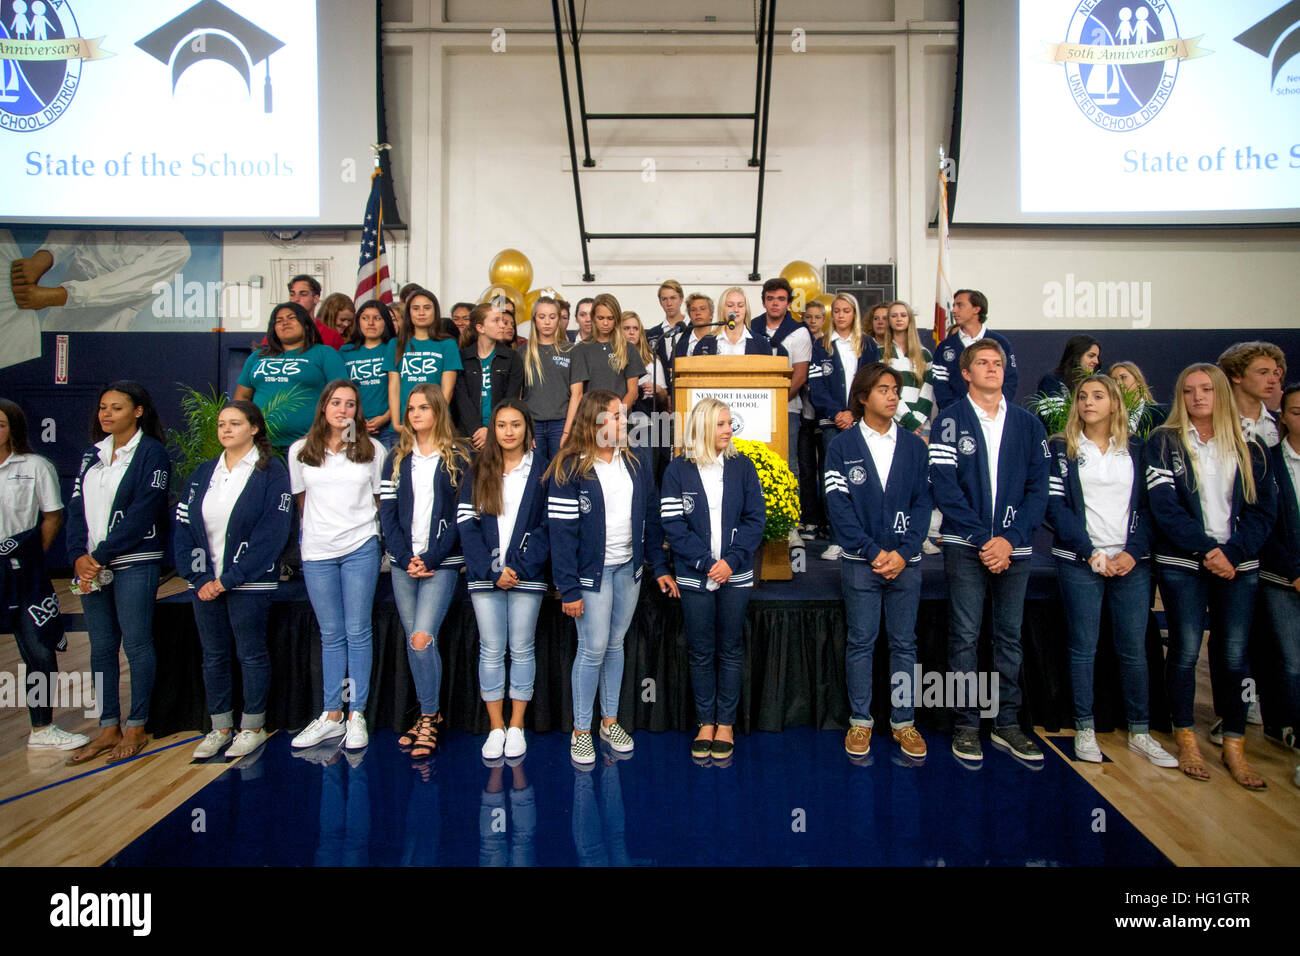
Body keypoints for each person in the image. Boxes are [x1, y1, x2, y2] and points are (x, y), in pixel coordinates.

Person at [1144, 364, 1275, 789]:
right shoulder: (1163, 442)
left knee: (1233, 653)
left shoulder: (1251, 447)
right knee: (1183, 648)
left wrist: (1232, 553)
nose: (1198, 398)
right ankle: (1186, 737)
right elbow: (1164, 507)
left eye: (1206, 390)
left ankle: (1234, 743)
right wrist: (1206, 549)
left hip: (1238, 564)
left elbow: (1263, 513)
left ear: (1221, 393)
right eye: (1188, 391)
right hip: (1184, 563)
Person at [1046, 376, 1177, 767]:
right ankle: (1084, 728)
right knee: (1083, 647)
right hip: (1080, 562)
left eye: (1098, 396)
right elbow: (1056, 508)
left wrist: (1132, 554)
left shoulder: (1138, 448)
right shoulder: (1062, 448)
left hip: (1131, 565)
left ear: (1115, 404)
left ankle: (1140, 731)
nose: (1088, 402)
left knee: (1133, 650)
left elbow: (1155, 508)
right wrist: (1089, 553)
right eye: (1082, 396)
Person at [929, 339, 1048, 763]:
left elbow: (1039, 490)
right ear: (965, 372)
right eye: (982, 362)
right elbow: (945, 488)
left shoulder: (1028, 424)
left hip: (1014, 549)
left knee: (1009, 638)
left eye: (998, 363)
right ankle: (965, 725)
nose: (992, 369)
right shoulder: (949, 421)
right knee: (964, 637)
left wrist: (1009, 540)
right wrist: (984, 539)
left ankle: (1007, 723)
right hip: (966, 547)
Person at [546, 390, 675, 766]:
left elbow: (650, 520)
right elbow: (561, 537)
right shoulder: (568, 468)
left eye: (623, 416)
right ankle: (581, 730)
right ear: (595, 422)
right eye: (616, 417)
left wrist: (660, 568)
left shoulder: (635, 462)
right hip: (590, 575)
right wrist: (568, 588)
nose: (624, 422)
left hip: (628, 571)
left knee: (615, 643)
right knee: (593, 647)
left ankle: (610, 721)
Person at [824, 363, 932, 760]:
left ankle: (904, 722)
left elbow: (923, 504)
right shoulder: (842, 446)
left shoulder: (914, 446)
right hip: (860, 563)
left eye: (895, 390)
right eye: (884, 389)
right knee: (861, 642)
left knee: (904, 644)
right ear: (863, 397)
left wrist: (903, 553)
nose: (892, 396)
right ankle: (860, 721)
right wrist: (873, 552)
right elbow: (838, 507)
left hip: (907, 564)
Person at [174, 401, 292, 760]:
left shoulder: (271, 471)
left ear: (254, 428)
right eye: (222, 424)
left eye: (235, 423)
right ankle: (220, 726)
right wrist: (200, 577)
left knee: (251, 654)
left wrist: (230, 578)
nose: (225, 429)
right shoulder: (203, 472)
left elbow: (273, 532)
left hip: (249, 582)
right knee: (213, 656)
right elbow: (183, 527)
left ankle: (252, 726)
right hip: (205, 584)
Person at [64, 382, 171, 764]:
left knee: (137, 643)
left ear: (138, 412)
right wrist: (78, 554)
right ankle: (109, 725)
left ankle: (137, 724)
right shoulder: (90, 455)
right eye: (103, 408)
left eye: (117, 408)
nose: (106, 414)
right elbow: (75, 507)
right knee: (102, 646)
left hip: (134, 561)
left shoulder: (152, 454)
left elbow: (145, 510)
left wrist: (101, 554)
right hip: (91, 565)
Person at [660, 398, 765, 759]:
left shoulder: (743, 467)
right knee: (701, 650)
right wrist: (707, 563)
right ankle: (706, 720)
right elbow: (673, 525)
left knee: (730, 648)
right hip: (694, 577)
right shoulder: (677, 469)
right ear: (703, 427)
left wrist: (731, 562)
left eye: (729, 423)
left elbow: (756, 520)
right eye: (721, 424)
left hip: (735, 574)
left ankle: (726, 722)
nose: (728, 429)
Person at [288, 380, 387, 752]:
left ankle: (356, 714)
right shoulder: (300, 450)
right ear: (324, 407)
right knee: (331, 634)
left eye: (350, 404)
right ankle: (331, 715)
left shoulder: (372, 450)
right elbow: (302, 503)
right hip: (317, 552)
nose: (343, 410)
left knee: (358, 630)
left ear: (357, 411)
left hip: (361, 546)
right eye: (336, 402)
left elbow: (380, 501)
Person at [380, 384, 472, 760]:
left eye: (423, 407)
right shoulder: (395, 458)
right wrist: (404, 557)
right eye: (411, 408)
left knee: (421, 638)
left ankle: (430, 718)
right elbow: (387, 512)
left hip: (441, 562)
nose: (415, 414)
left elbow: (461, 515)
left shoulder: (459, 456)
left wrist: (431, 557)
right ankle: (427, 714)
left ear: (437, 411)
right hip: (404, 564)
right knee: (416, 642)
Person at [458, 401, 551, 760]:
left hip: (527, 575)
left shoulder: (544, 470)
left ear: (527, 429)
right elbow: (467, 524)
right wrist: (491, 571)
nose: (508, 431)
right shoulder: (478, 468)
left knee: (522, 647)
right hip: (486, 577)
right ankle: (495, 727)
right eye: (501, 425)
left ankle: (517, 725)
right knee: (492, 649)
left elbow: (548, 526)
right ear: (493, 430)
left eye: (515, 425)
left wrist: (521, 567)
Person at [0, 399, 88, 752]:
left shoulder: (36, 466)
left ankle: (42, 727)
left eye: (1, 424)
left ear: (14, 429)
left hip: (22, 572)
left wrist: (31, 555)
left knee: (38, 650)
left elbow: (52, 516)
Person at [809, 293, 880, 559]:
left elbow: (875, 384)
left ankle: (864, 537)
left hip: (863, 421)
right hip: (831, 422)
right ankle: (837, 539)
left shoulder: (869, 344)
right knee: (834, 482)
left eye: (846, 311)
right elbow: (816, 388)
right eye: (836, 311)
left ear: (855, 314)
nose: (840, 316)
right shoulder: (822, 345)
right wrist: (838, 413)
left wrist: (854, 413)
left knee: (863, 477)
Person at [235, 302, 348, 447]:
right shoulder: (257, 357)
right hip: (262, 444)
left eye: (291, 318)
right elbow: (242, 397)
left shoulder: (325, 353)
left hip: (311, 444)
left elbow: (343, 396)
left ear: (306, 324)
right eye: (279, 320)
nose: (285, 323)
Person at [1260, 383, 1300, 789]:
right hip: (1282, 578)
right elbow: (1263, 521)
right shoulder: (1269, 463)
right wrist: (1294, 570)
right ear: (1282, 417)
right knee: (1292, 664)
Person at [750, 277, 812, 534]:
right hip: (753, 408)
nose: (775, 303)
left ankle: (791, 522)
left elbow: (799, 376)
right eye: (770, 298)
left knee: (788, 463)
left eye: (781, 299)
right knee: (754, 462)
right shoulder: (751, 327)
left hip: (787, 407)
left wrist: (774, 403)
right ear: (764, 301)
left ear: (788, 303)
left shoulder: (799, 331)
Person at [385, 288, 461, 431]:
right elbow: (394, 386)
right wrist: (395, 423)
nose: (421, 313)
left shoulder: (448, 344)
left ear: (435, 311)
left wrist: (437, 419)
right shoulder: (395, 344)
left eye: (427, 308)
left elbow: (447, 389)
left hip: (438, 424)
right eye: (415, 308)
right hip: (404, 423)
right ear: (409, 313)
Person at [451, 303, 524, 449]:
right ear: (480, 328)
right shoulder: (463, 357)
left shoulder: (512, 357)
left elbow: (510, 398)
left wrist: (490, 430)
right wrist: (477, 430)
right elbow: (461, 399)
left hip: (500, 433)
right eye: (496, 320)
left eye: (502, 320)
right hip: (468, 434)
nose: (502, 325)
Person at [931, 289, 1018, 409]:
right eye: (954, 306)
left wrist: (993, 407)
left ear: (976, 309)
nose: (954, 310)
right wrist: (958, 410)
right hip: (956, 415)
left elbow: (1010, 380)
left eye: (960, 305)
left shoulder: (1001, 343)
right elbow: (940, 384)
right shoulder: (945, 346)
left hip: (993, 415)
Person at [521, 296, 582, 460]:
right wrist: (523, 427)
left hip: (562, 423)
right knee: (535, 474)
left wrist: (568, 431)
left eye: (552, 317)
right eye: (542, 317)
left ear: (559, 319)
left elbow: (577, 394)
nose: (547, 322)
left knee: (560, 474)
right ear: (534, 319)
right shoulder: (523, 352)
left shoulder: (571, 350)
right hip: (532, 424)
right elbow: (518, 396)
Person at [340, 299, 398, 451]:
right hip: (351, 423)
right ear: (358, 322)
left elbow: (400, 388)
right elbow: (340, 391)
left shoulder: (394, 349)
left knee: (385, 470)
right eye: (365, 318)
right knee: (350, 468)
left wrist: (385, 417)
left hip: (386, 425)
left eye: (377, 318)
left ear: (385, 322)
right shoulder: (345, 351)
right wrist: (357, 421)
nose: (370, 323)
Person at [574, 293, 644, 409]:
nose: (605, 323)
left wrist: (616, 415)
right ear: (593, 318)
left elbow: (632, 392)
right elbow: (578, 393)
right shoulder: (580, 349)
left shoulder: (629, 349)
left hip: (619, 419)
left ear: (617, 319)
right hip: (590, 418)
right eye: (600, 318)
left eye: (610, 318)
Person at [882, 300, 937, 434]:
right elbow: (884, 390)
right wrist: (907, 419)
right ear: (888, 320)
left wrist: (916, 420)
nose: (899, 319)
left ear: (910, 319)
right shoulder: (880, 353)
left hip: (920, 425)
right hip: (891, 422)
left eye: (903, 315)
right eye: (894, 316)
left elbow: (928, 390)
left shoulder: (924, 354)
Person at [1219, 341, 1284, 448]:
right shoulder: (1215, 421)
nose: (1273, 380)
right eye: (1263, 372)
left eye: (1274, 373)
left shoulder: (1280, 423)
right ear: (1236, 376)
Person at [622, 310, 669, 427]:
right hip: (619, 413)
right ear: (619, 331)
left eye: (635, 328)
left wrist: (657, 389)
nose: (631, 332)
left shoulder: (652, 360)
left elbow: (664, 398)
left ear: (640, 332)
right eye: (627, 328)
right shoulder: (612, 357)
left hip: (645, 417)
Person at [286, 274, 345, 349]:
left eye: (303, 294)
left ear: (315, 299)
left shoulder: (331, 336)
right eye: (292, 294)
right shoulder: (280, 330)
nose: (295, 299)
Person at [1037, 335, 1100, 404]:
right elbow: (1053, 413)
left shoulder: (1095, 382)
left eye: (1097, 357)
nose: (1096, 361)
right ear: (1076, 356)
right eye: (1091, 356)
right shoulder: (1052, 380)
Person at [646, 280, 688, 384]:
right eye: (664, 299)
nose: (669, 303)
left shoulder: (694, 329)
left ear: (681, 299)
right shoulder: (651, 334)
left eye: (673, 298)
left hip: (687, 390)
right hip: (659, 395)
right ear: (660, 302)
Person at [1109, 361, 1168, 433]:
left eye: (1123, 377)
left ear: (1138, 381)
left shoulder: (1159, 412)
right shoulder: (1108, 416)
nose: (1118, 383)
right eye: (1113, 380)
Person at [714, 287, 772, 357]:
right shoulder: (706, 342)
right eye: (730, 305)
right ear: (722, 309)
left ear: (746, 310)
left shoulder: (762, 343)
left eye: (740, 306)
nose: (736, 310)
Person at [672, 293, 720, 361]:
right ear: (689, 315)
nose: (698, 313)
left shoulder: (721, 338)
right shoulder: (681, 345)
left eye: (702, 309)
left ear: (711, 314)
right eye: (693, 310)